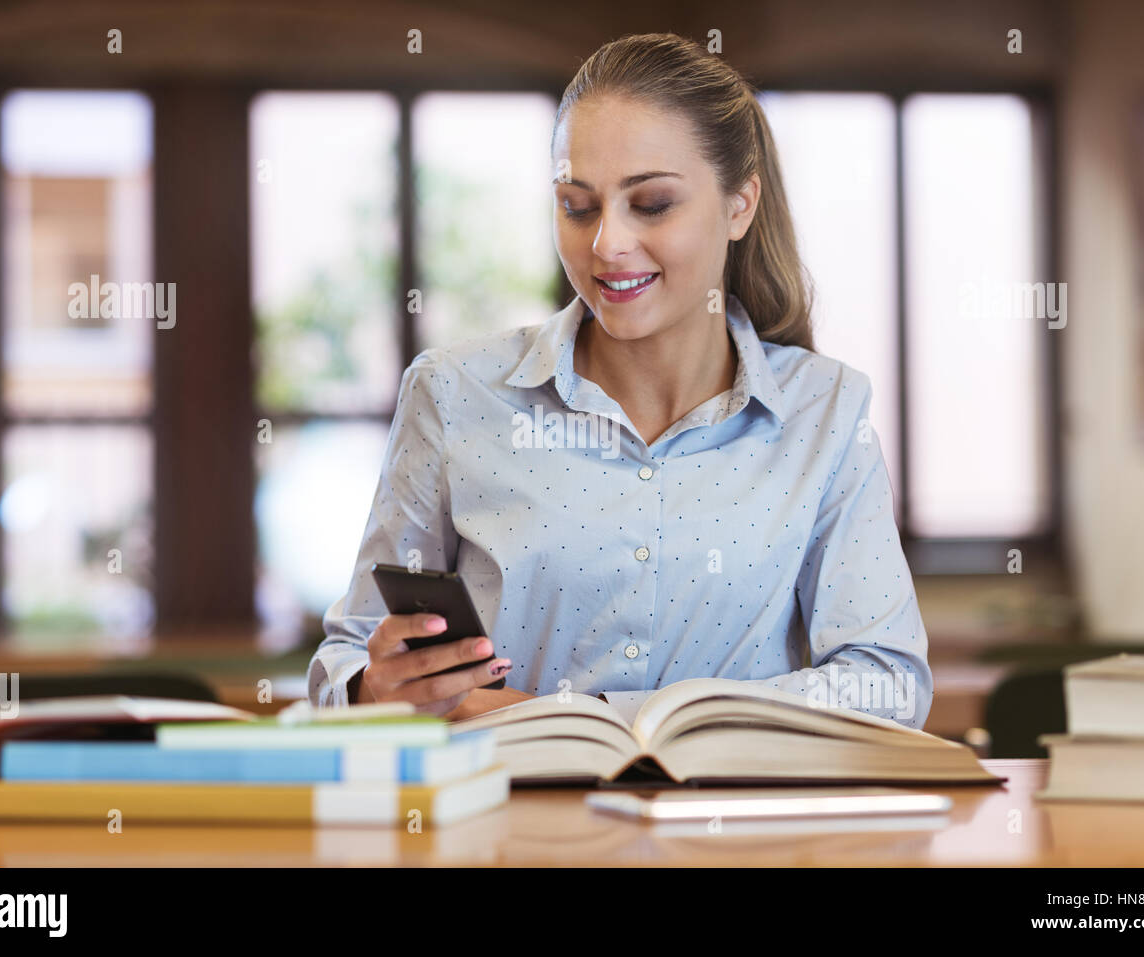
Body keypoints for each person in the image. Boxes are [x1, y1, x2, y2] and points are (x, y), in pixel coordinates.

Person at [308, 32, 932, 729]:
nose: (607, 244)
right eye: (578, 206)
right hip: (503, 831)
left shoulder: (827, 413)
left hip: (743, 836)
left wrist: (613, 716)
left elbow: (889, 683)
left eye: (653, 203)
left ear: (739, 205)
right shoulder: (454, 395)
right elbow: (345, 660)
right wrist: (376, 687)